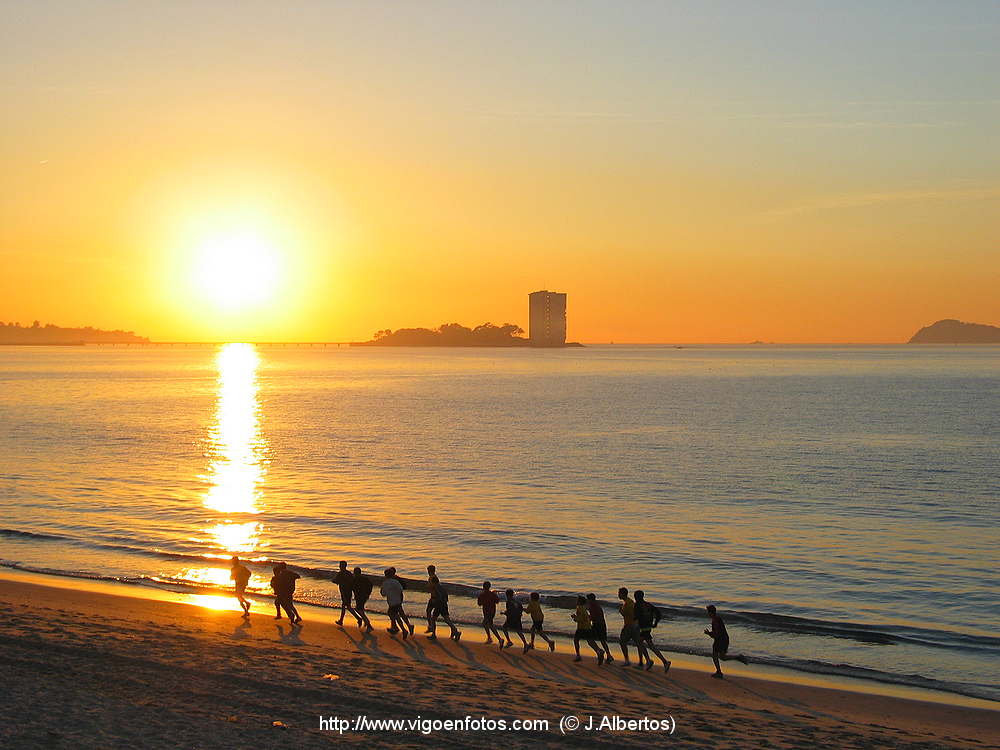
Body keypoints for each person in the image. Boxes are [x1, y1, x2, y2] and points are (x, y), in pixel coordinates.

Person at [704, 604, 749, 678]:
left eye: (708, 612)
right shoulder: (717, 619)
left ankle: (719, 672)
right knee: (722, 657)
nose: (708, 614)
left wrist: (709, 633)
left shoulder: (715, 620)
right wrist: (710, 633)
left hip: (720, 640)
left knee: (715, 656)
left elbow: (717, 634)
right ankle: (737, 657)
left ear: (711, 613)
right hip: (724, 639)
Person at [633, 590, 669, 672]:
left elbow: (636, 617)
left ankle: (661, 661)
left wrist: (635, 626)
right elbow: (658, 614)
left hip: (643, 627)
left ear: (637, 597)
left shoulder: (637, 605)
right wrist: (655, 623)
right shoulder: (648, 605)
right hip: (648, 627)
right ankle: (652, 661)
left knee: (644, 644)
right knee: (645, 644)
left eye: (635, 597)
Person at [426, 574, 461, 641]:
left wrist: (435, 601)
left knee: (433, 619)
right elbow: (446, 597)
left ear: (433, 582)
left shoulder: (436, 588)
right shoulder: (441, 587)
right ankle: (456, 631)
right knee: (447, 620)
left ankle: (433, 635)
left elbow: (439, 597)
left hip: (439, 606)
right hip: (444, 605)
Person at [572, 595, 604, 664]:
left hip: (582, 627)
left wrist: (574, 617)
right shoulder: (584, 608)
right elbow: (584, 617)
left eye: (577, 600)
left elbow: (580, 619)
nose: (576, 601)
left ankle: (578, 655)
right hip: (588, 626)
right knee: (590, 641)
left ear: (580, 602)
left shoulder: (579, 608)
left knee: (576, 640)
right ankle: (599, 651)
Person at [385, 567, 414, 636]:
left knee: (394, 613)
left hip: (396, 598)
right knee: (398, 612)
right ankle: (397, 626)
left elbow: (402, 588)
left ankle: (398, 627)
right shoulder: (395, 579)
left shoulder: (395, 579)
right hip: (396, 597)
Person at [380, 568, 408, 638]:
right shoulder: (396, 581)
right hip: (398, 600)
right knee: (397, 614)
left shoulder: (385, 583)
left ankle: (402, 629)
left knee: (395, 615)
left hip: (392, 602)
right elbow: (401, 589)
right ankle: (399, 627)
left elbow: (383, 594)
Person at [586, 593, 614, 663]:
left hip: (597, 625)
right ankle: (608, 655)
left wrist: (584, 618)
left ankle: (599, 651)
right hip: (602, 624)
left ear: (590, 600)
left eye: (588, 600)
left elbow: (593, 617)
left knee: (589, 639)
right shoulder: (597, 605)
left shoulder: (593, 606)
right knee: (603, 640)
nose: (587, 601)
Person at [334, 560, 362, 627]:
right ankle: (341, 620)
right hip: (349, 591)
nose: (340, 566)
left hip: (344, 592)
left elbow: (335, 581)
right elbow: (352, 582)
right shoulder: (349, 573)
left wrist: (336, 581)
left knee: (347, 607)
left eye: (340, 565)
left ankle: (358, 618)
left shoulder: (340, 573)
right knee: (344, 606)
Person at [617, 587, 639, 666]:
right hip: (634, 625)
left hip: (629, 626)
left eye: (619, 593)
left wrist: (621, 611)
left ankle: (627, 660)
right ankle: (646, 660)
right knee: (639, 643)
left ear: (623, 594)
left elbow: (627, 615)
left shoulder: (627, 603)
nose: (618, 595)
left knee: (622, 642)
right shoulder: (629, 601)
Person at [351, 567, 374, 632]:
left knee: (358, 609)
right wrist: (368, 593)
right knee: (360, 609)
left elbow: (352, 588)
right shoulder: (364, 578)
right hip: (364, 596)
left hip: (360, 597)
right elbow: (371, 585)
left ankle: (368, 624)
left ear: (355, 573)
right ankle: (366, 621)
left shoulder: (355, 579)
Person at [424, 564, 437, 633]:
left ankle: (430, 626)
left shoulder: (432, 578)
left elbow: (432, 587)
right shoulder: (434, 577)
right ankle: (431, 627)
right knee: (430, 612)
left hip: (434, 598)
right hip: (434, 597)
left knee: (429, 612)